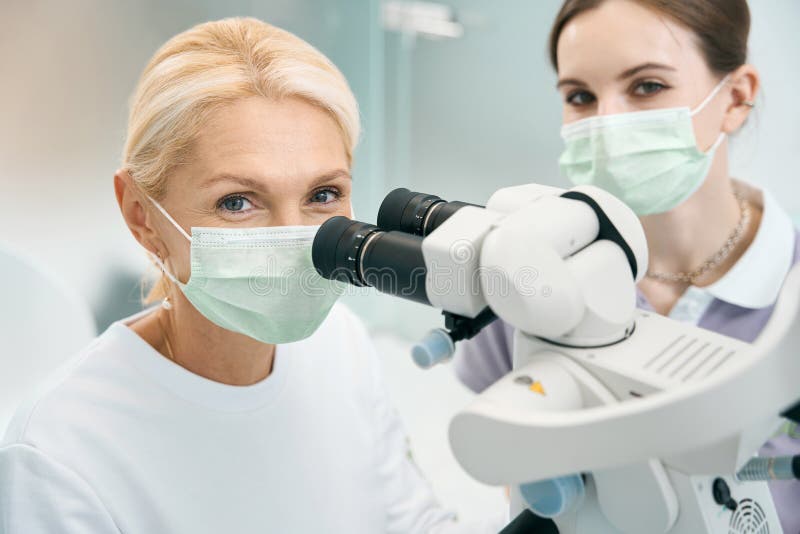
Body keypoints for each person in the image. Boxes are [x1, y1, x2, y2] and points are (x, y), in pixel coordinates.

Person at [0, 18, 501, 534]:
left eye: (323, 194)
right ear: (142, 216)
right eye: (237, 202)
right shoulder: (59, 454)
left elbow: (409, 522)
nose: (293, 239)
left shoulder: (341, 343)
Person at [453, 0, 799, 531]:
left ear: (735, 97)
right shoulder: (529, 272)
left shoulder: (788, 293)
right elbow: (526, 483)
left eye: (647, 86)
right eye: (580, 96)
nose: (607, 123)